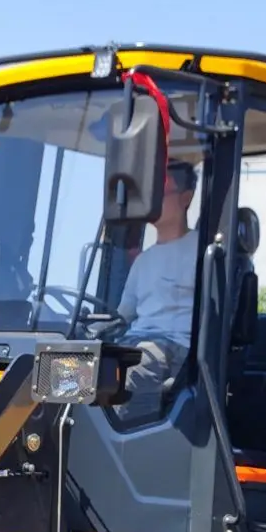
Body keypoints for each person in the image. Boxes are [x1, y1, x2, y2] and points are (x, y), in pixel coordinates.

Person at [111, 159, 198, 423]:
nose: (153, 200)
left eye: (163, 190)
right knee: (77, 368)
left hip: (178, 348)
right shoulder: (143, 260)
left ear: (186, 198)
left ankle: (126, 439)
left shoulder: (201, 251)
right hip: (137, 342)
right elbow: (122, 315)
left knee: (127, 372)